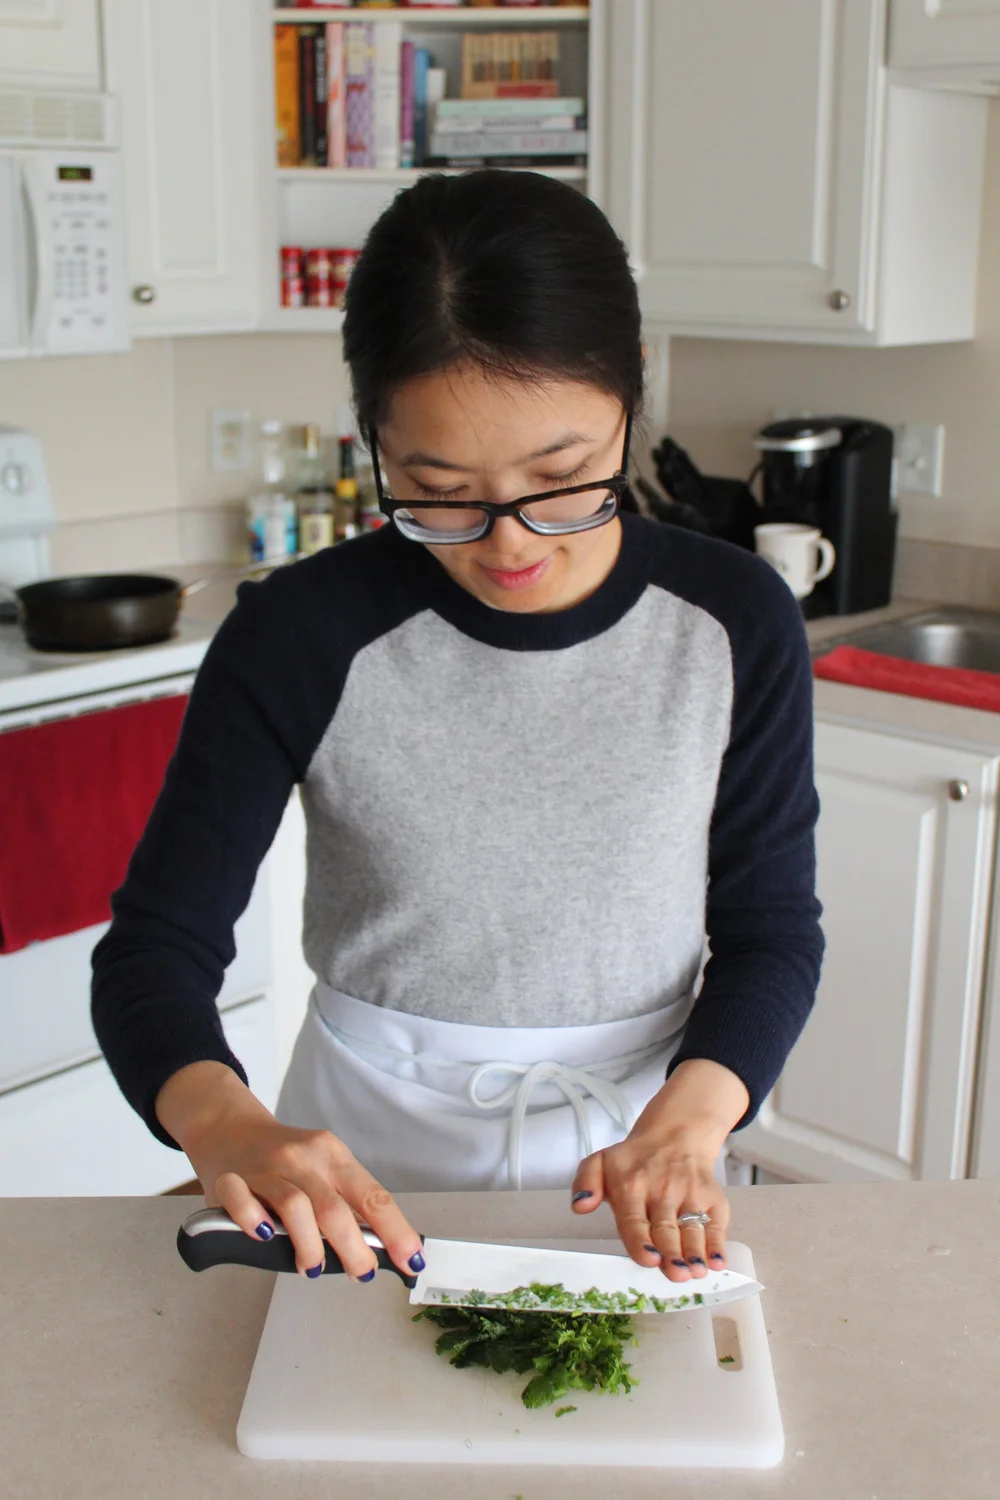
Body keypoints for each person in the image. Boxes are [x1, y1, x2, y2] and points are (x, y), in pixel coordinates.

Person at [92, 170, 823, 1292]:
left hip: (645, 1156)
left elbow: (770, 932)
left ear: (632, 394)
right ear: (375, 442)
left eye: (562, 478)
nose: (509, 543)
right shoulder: (299, 632)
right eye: (437, 492)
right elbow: (155, 950)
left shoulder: (734, 622)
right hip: (360, 1174)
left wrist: (695, 1117)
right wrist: (226, 1125)